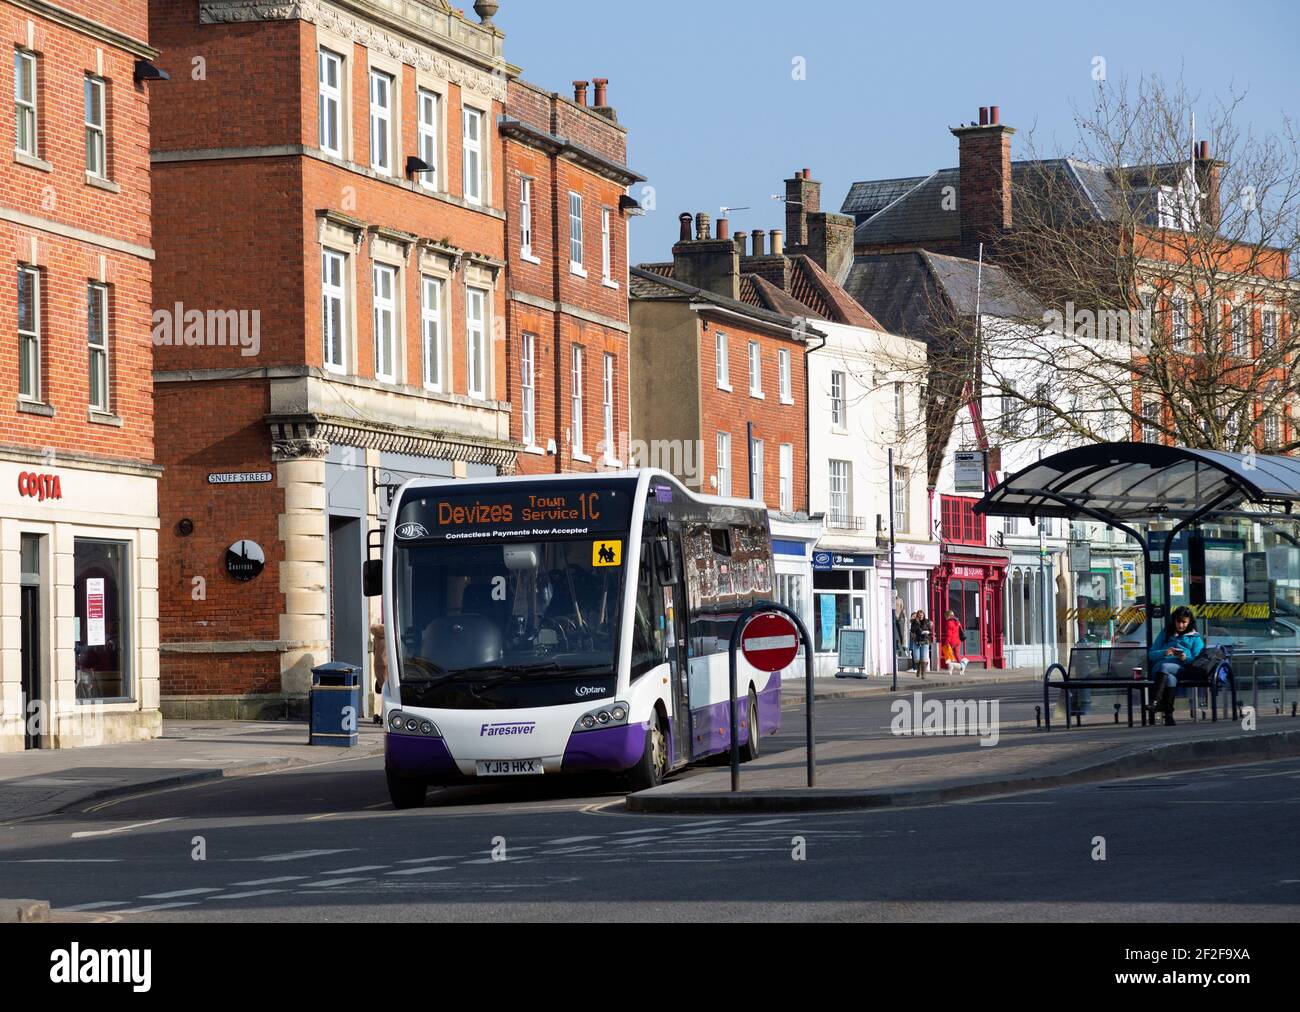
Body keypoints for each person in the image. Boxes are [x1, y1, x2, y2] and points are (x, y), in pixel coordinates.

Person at [1147, 606, 1204, 726]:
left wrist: (1184, 658)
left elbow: (1198, 660)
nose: (1181, 625)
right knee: (1169, 677)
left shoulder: (1195, 638)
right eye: (1178, 621)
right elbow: (1151, 654)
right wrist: (1164, 652)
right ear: (1174, 620)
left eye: (1184, 622)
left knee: (1165, 669)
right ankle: (1168, 715)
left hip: (1182, 668)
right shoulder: (1166, 633)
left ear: (1189, 622)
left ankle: (1156, 702)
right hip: (1161, 669)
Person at [909, 610, 933, 679]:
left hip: (925, 641)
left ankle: (923, 673)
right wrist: (916, 623)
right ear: (917, 616)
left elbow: (931, 631)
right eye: (919, 616)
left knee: (924, 658)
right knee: (916, 658)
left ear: (924, 615)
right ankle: (918, 669)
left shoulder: (927, 622)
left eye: (922, 615)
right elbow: (912, 631)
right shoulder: (914, 622)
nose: (921, 617)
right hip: (916, 641)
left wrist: (928, 632)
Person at [942, 610, 965, 674]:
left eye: (945, 616)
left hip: (951, 641)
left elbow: (949, 634)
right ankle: (962, 667)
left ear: (948, 616)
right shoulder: (957, 621)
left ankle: (950, 670)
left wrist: (947, 642)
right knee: (957, 655)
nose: (945, 617)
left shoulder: (949, 622)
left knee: (949, 656)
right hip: (958, 641)